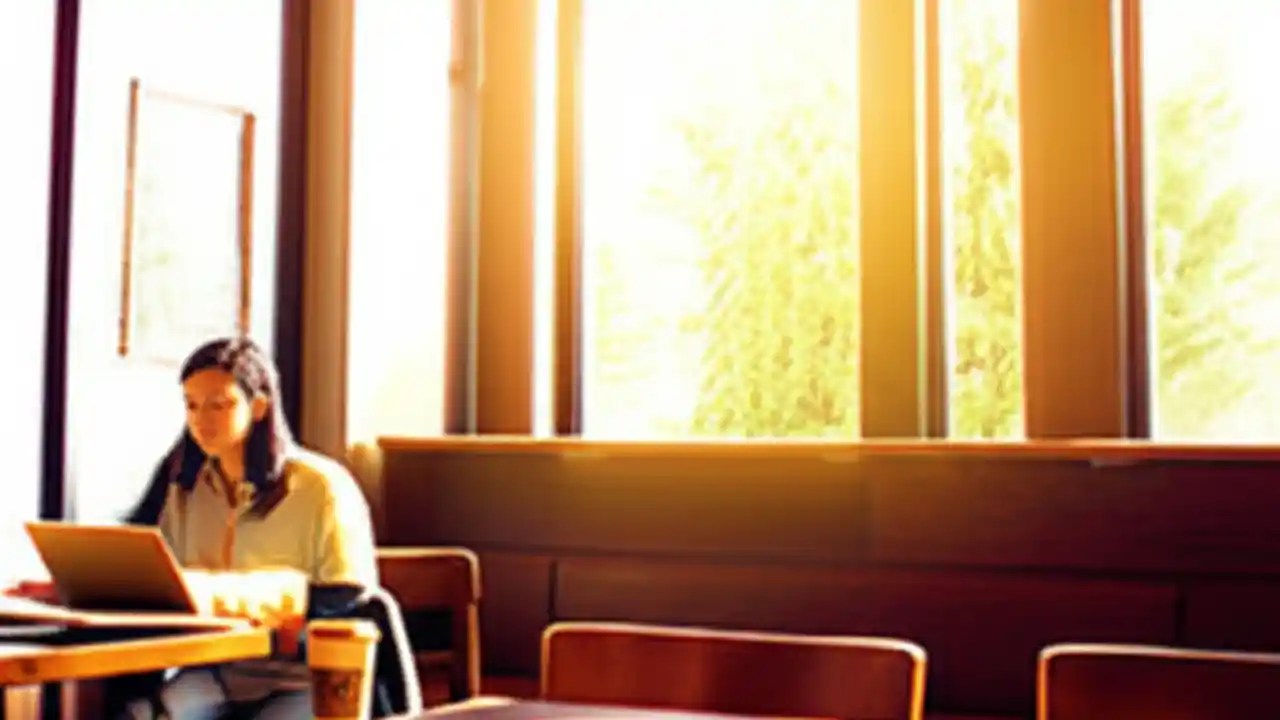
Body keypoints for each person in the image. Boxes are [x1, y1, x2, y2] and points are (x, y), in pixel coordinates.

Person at [116, 336, 379, 719]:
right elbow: (165, 582)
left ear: (258, 406)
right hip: (218, 672)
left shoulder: (320, 487)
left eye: (219, 405)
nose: (201, 420)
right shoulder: (187, 489)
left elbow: (349, 598)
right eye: (191, 405)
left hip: (303, 677)